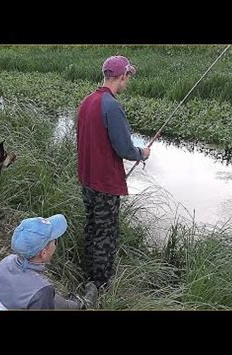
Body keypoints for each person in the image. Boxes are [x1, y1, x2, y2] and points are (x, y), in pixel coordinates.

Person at [76, 55, 151, 289]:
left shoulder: (87, 101)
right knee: (105, 234)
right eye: (127, 77)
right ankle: (100, 284)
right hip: (104, 183)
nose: (127, 82)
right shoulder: (112, 106)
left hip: (87, 179)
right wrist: (142, 153)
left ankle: (88, 272)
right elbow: (125, 148)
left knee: (92, 226)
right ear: (121, 77)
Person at [0, 214, 98, 310]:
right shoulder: (42, 290)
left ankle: (79, 304)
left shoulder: (6, 261)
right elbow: (40, 293)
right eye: (54, 241)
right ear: (44, 253)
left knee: (53, 300)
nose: (55, 244)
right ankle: (84, 305)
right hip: (38, 297)